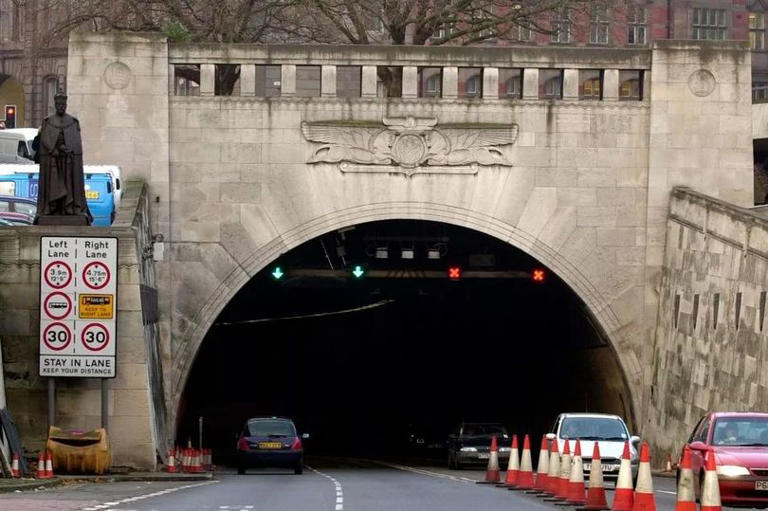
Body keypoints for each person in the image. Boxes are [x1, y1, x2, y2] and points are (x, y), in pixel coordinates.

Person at [35, 90, 92, 224]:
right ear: (55, 104)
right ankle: (52, 207)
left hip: (68, 161)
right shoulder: (48, 122)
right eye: (59, 104)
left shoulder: (72, 122)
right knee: (53, 181)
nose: (61, 106)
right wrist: (53, 149)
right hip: (53, 161)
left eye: (63, 104)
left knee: (70, 181)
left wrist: (67, 149)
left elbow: (75, 144)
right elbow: (45, 141)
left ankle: (70, 206)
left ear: (66, 104)